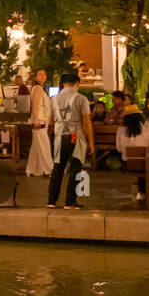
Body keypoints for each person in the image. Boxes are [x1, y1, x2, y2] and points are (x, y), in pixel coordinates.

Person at [46, 71, 94, 209]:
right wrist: (90, 142)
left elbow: (50, 121)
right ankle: (70, 201)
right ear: (77, 84)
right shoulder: (81, 99)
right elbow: (86, 122)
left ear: (64, 84)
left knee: (57, 169)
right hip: (76, 136)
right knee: (75, 168)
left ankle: (51, 201)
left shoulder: (53, 99)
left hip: (59, 136)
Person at [116, 102, 149, 204]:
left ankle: (142, 193)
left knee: (140, 165)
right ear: (140, 117)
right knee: (146, 163)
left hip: (128, 165)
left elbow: (119, 149)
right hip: (147, 163)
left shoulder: (120, 130)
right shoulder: (148, 129)